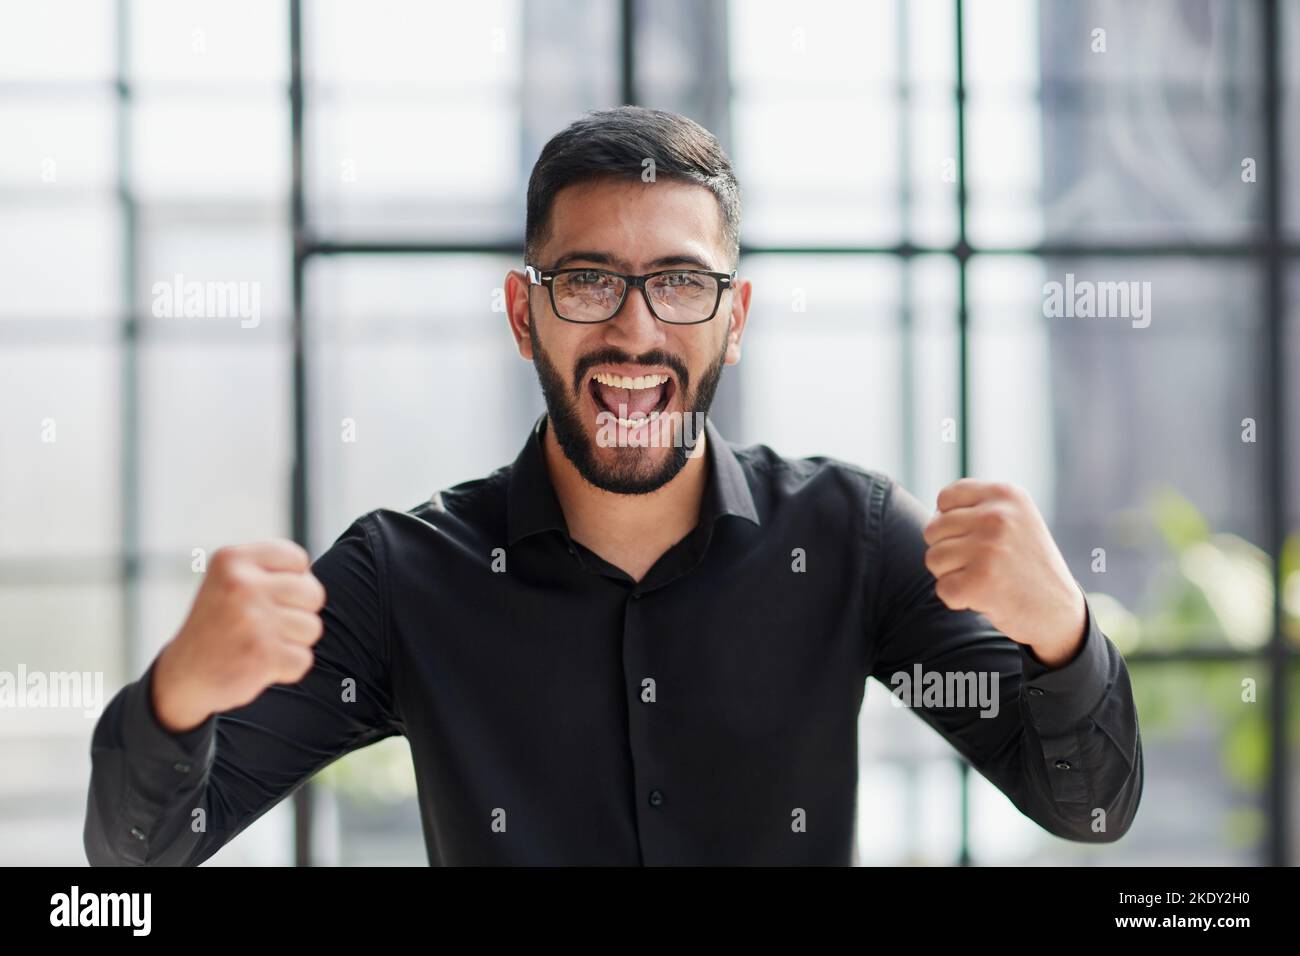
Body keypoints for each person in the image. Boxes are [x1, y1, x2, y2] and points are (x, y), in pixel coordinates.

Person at [84, 106, 1142, 866]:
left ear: (735, 315)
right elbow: (133, 864)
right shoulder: (399, 576)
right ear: (521, 311)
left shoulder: (852, 537)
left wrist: (1059, 631)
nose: (634, 330)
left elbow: (1088, 811)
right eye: (588, 280)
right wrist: (180, 692)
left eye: (680, 282)